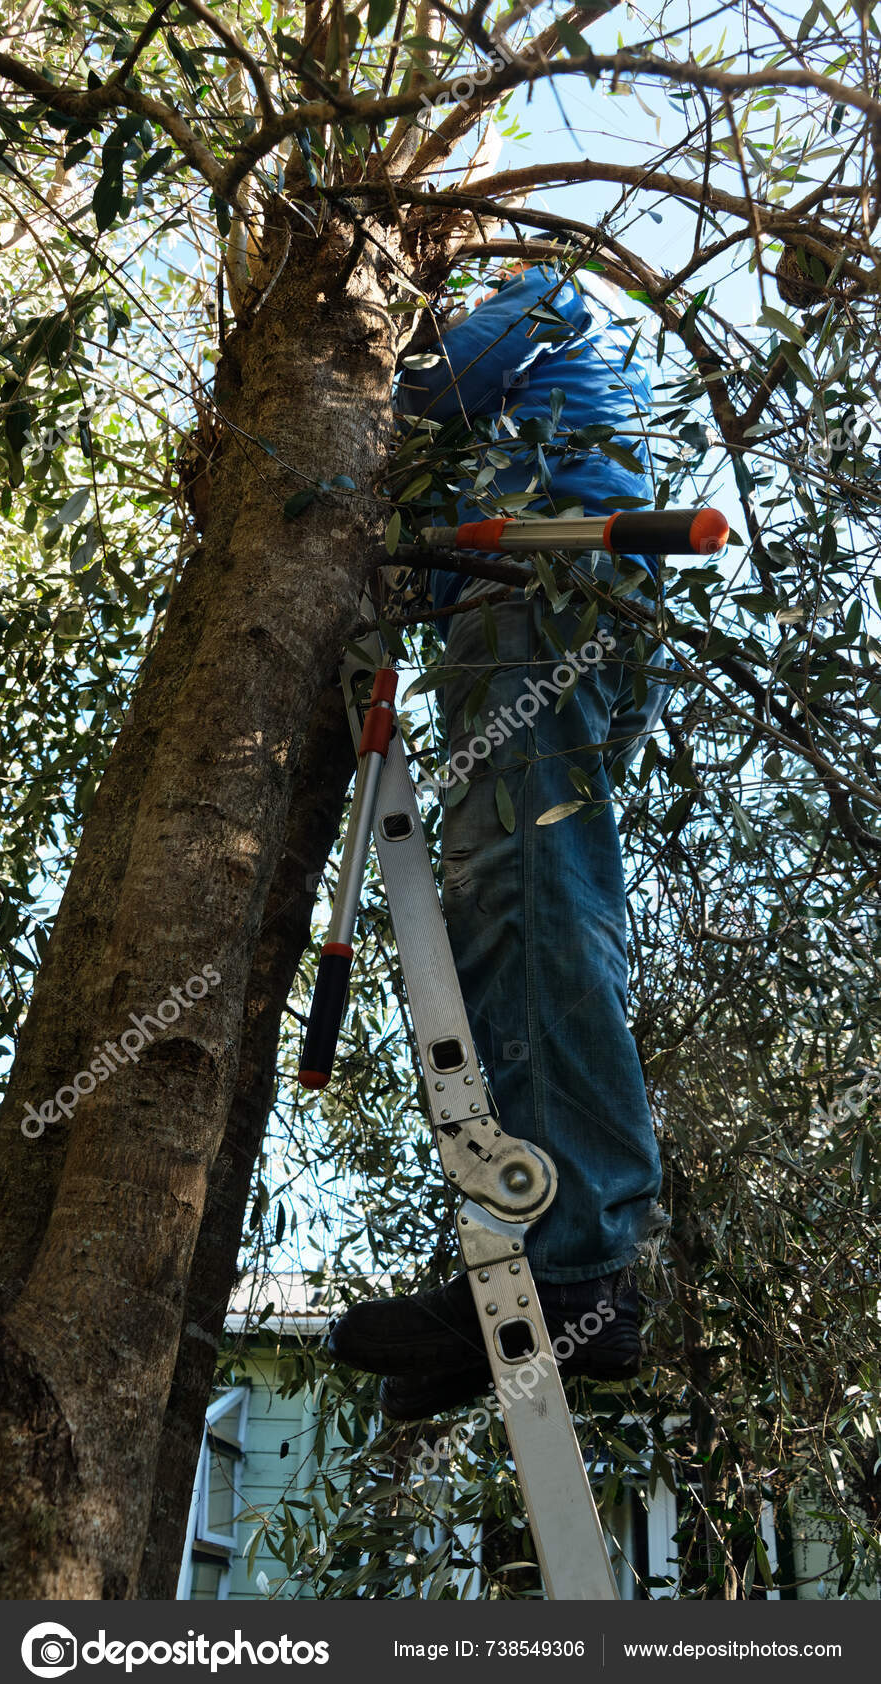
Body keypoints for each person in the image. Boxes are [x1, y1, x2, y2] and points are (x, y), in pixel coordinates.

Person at [328, 263, 675, 1419]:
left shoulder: (536, 292)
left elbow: (434, 387)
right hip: (558, 595)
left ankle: (578, 1262)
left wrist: (369, 391)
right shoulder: (530, 430)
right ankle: (528, 1261)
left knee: (530, 905)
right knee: (528, 910)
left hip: (539, 585)